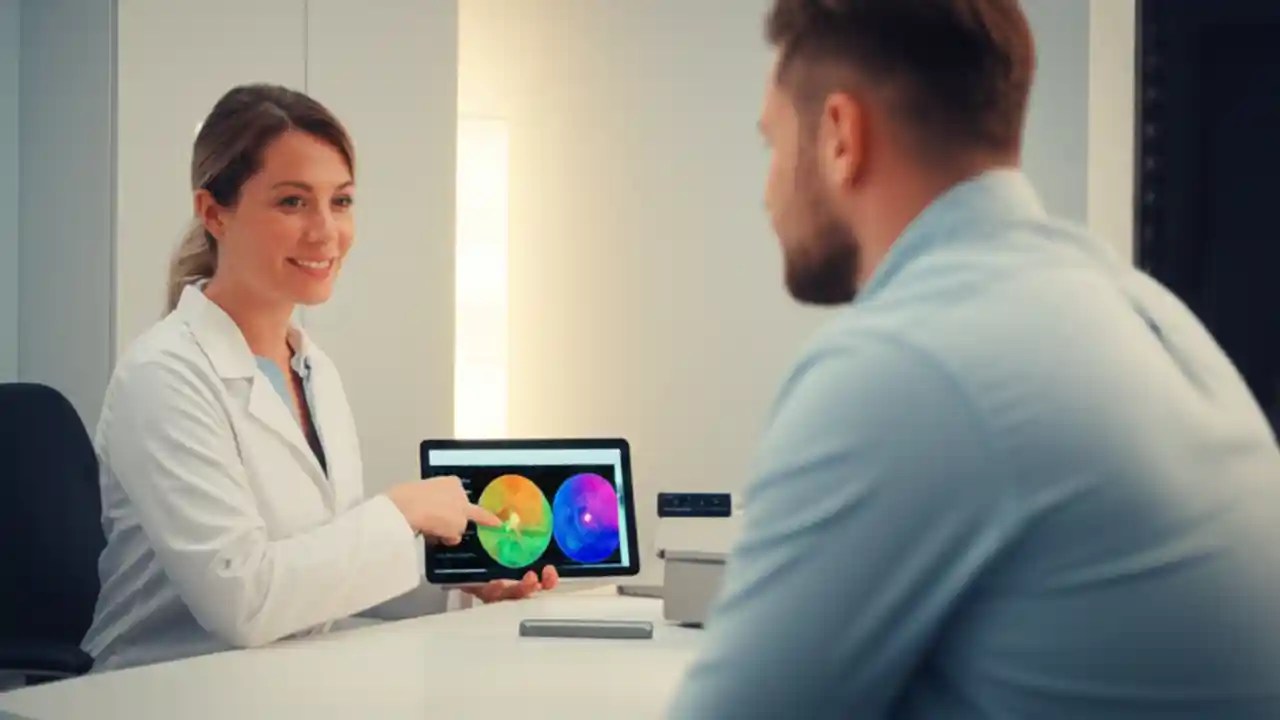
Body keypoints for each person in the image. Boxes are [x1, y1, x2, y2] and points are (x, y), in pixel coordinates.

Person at [668, 1, 1280, 717]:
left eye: (773, 144)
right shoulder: (1141, 311)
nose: (767, 191)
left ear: (840, 135)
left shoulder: (902, 365)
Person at [82, 84, 557, 672]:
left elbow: (321, 568)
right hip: (158, 688)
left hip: (282, 678)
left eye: (342, 201)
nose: (325, 232)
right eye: (292, 202)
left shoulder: (312, 370)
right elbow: (244, 601)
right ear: (214, 214)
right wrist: (400, 512)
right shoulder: (161, 378)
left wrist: (459, 585)